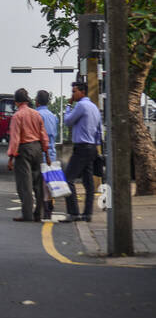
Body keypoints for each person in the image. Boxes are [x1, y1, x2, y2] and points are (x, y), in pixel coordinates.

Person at [62, 80, 102, 222]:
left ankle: (73, 213)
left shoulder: (81, 105)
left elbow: (68, 121)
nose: (72, 94)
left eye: (74, 91)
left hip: (81, 148)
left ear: (82, 92)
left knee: (67, 179)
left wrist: (68, 105)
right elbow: (99, 131)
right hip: (92, 147)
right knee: (88, 183)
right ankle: (87, 213)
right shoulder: (94, 108)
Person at [7, 88, 50, 222]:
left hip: (24, 149)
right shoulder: (36, 114)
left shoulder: (17, 116)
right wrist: (46, 153)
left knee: (25, 183)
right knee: (38, 183)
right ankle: (39, 214)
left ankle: (27, 214)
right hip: (37, 148)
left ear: (16, 102)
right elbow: (44, 135)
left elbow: (15, 139)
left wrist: (11, 158)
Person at [35, 90, 60, 218]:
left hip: (42, 152)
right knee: (49, 183)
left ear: (37, 101)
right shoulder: (53, 116)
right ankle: (49, 206)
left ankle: (45, 208)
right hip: (53, 153)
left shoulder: (37, 114)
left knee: (41, 184)